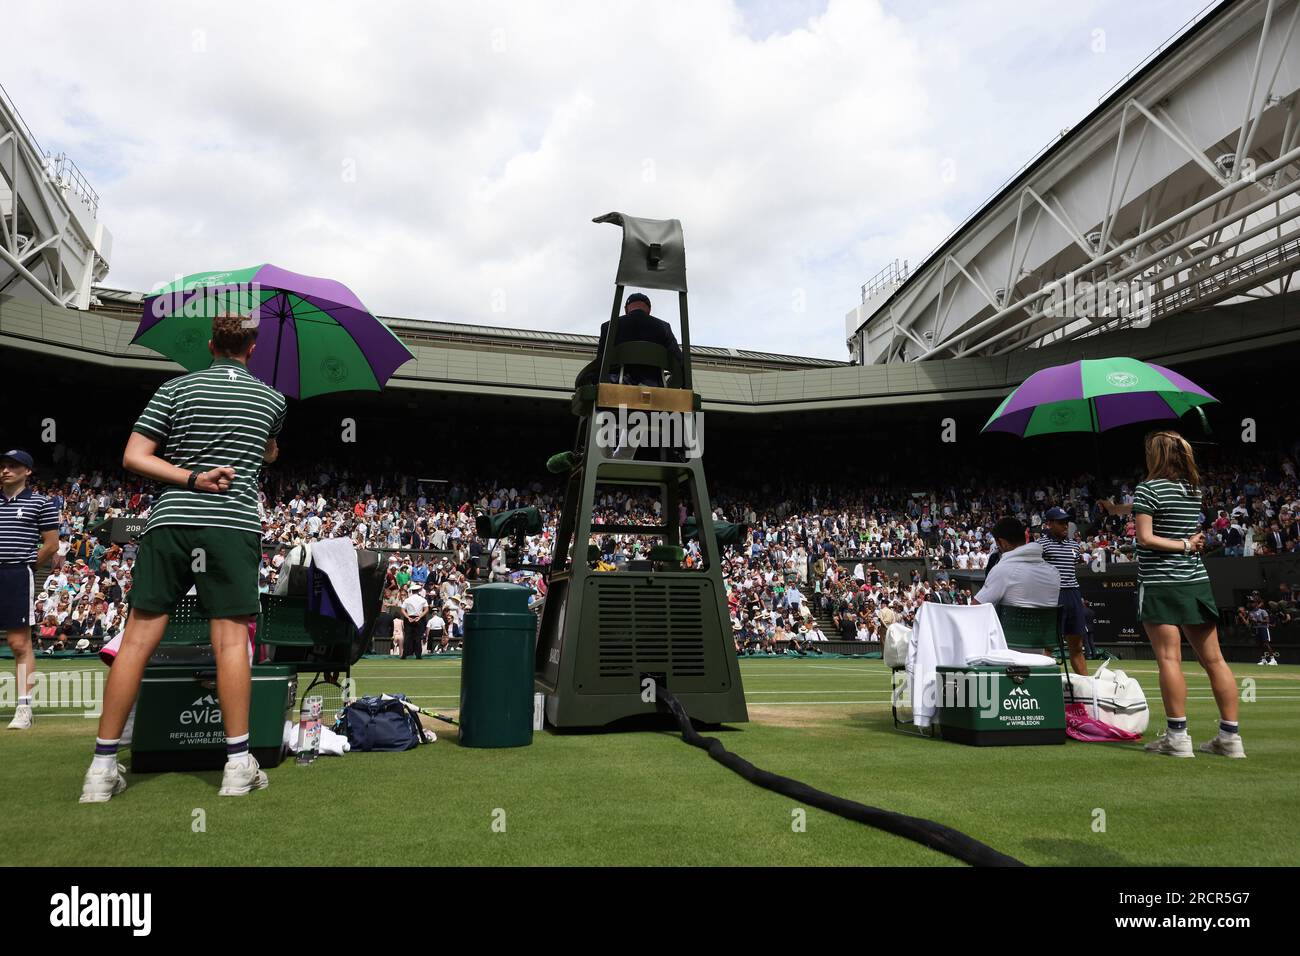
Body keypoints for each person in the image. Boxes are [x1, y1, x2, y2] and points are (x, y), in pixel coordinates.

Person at [80, 312, 287, 802]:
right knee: (232, 644)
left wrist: (192, 477)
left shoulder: (176, 390)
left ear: (211, 345)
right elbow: (268, 455)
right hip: (232, 526)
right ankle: (237, 765)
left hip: (172, 520)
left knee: (135, 643)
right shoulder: (273, 399)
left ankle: (101, 770)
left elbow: (135, 457)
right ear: (252, 349)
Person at [1104, 431, 1245, 758]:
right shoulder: (1192, 490)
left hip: (1161, 582)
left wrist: (1181, 543)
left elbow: (1146, 538)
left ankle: (1177, 737)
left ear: (1156, 456)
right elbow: (1157, 509)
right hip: (1195, 580)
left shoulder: (1148, 488)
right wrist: (1116, 508)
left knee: (1169, 659)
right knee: (1214, 660)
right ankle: (1231, 738)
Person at [0, 449, 60, 729]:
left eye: (13, 466)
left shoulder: (41, 503)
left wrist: (27, 566)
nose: (5, 470)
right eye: (3, 466)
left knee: (18, 643)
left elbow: (51, 545)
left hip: (16, 572)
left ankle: (24, 708)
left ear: (28, 471)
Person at [972, 516, 1060, 623]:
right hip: (1048, 639)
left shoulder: (1002, 570)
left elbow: (974, 608)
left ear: (1002, 543)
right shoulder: (1054, 572)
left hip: (1008, 639)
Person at [1038, 506, 1089, 675]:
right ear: (1049, 524)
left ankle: (1087, 690)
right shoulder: (1040, 545)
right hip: (1053, 595)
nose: (1065, 526)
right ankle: (1041, 686)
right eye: (1061, 523)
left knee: (1077, 645)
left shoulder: (1074, 545)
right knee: (1049, 645)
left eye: (1066, 522)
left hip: (1073, 593)